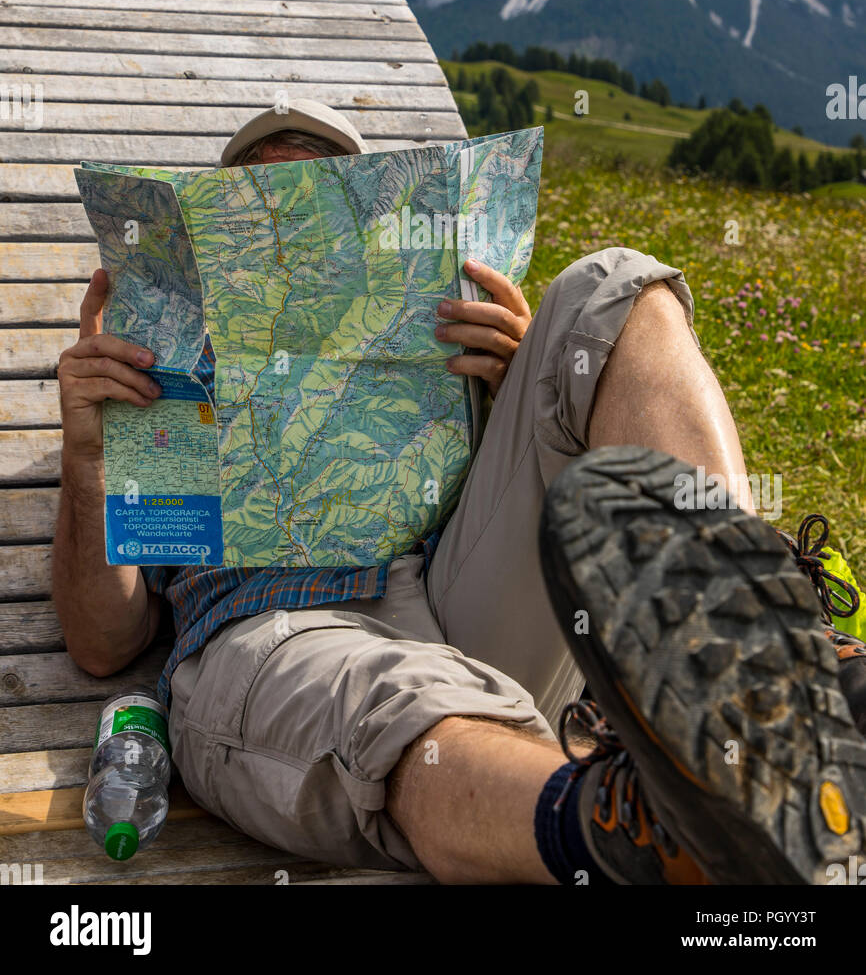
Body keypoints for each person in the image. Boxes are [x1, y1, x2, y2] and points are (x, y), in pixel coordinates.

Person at [53, 100, 866, 884]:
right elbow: (104, 642)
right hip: (270, 636)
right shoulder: (162, 378)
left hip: (451, 597)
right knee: (394, 696)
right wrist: (89, 456)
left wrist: (527, 388)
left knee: (613, 289)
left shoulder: (420, 344)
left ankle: (764, 660)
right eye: (261, 200)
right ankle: (646, 836)